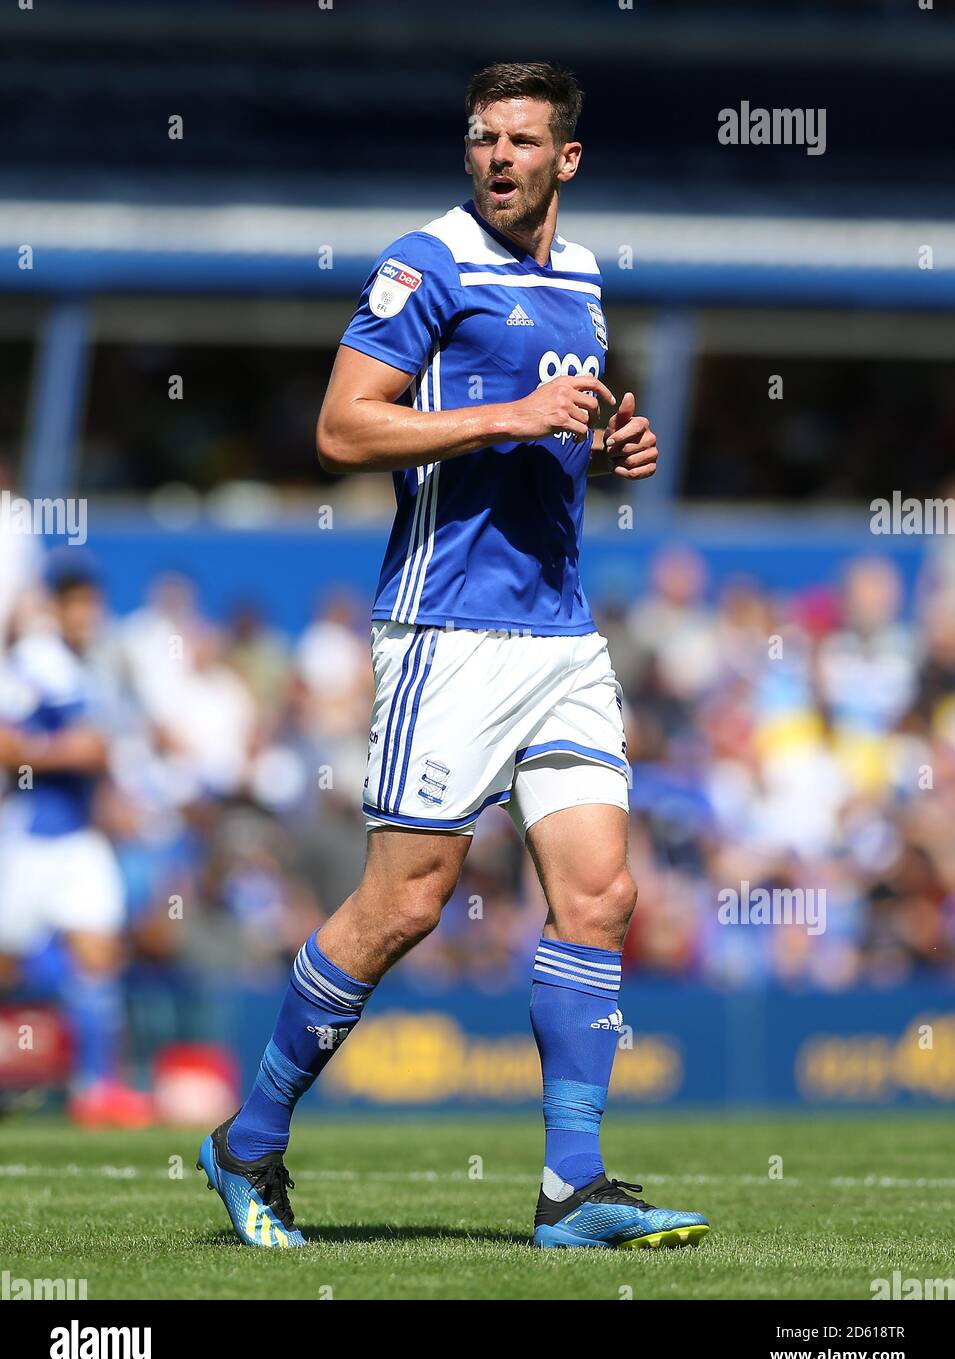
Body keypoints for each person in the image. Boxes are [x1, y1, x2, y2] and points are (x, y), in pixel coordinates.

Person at [199, 61, 709, 1252]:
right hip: (449, 629)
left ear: (564, 160)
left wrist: (605, 439)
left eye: (522, 141)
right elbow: (340, 426)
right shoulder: (423, 265)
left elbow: (549, 424)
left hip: (562, 631)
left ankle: (571, 1191)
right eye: (483, 137)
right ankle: (248, 1142)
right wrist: (504, 418)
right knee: (405, 903)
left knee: (602, 894)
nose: (499, 157)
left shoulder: (580, 277)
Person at [0, 558, 152, 1127]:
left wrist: (110, 791)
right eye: (78, 605)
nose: (88, 616)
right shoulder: (34, 663)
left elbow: (104, 750)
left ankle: (96, 1089)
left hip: (80, 839)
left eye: (94, 604)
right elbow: (7, 744)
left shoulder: (94, 670)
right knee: (7, 963)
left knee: (97, 956)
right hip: (31, 838)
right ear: (57, 608)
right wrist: (73, 751)